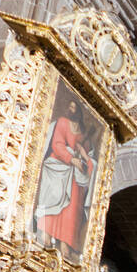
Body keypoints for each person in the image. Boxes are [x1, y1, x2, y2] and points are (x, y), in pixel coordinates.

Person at [34, 96, 97, 262]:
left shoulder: (84, 134)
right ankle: (46, 234)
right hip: (60, 164)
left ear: (79, 113)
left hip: (75, 174)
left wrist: (82, 158)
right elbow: (57, 144)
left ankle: (65, 244)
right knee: (55, 197)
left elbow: (88, 156)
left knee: (72, 207)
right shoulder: (62, 122)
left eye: (74, 108)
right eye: (69, 107)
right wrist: (71, 159)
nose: (71, 110)